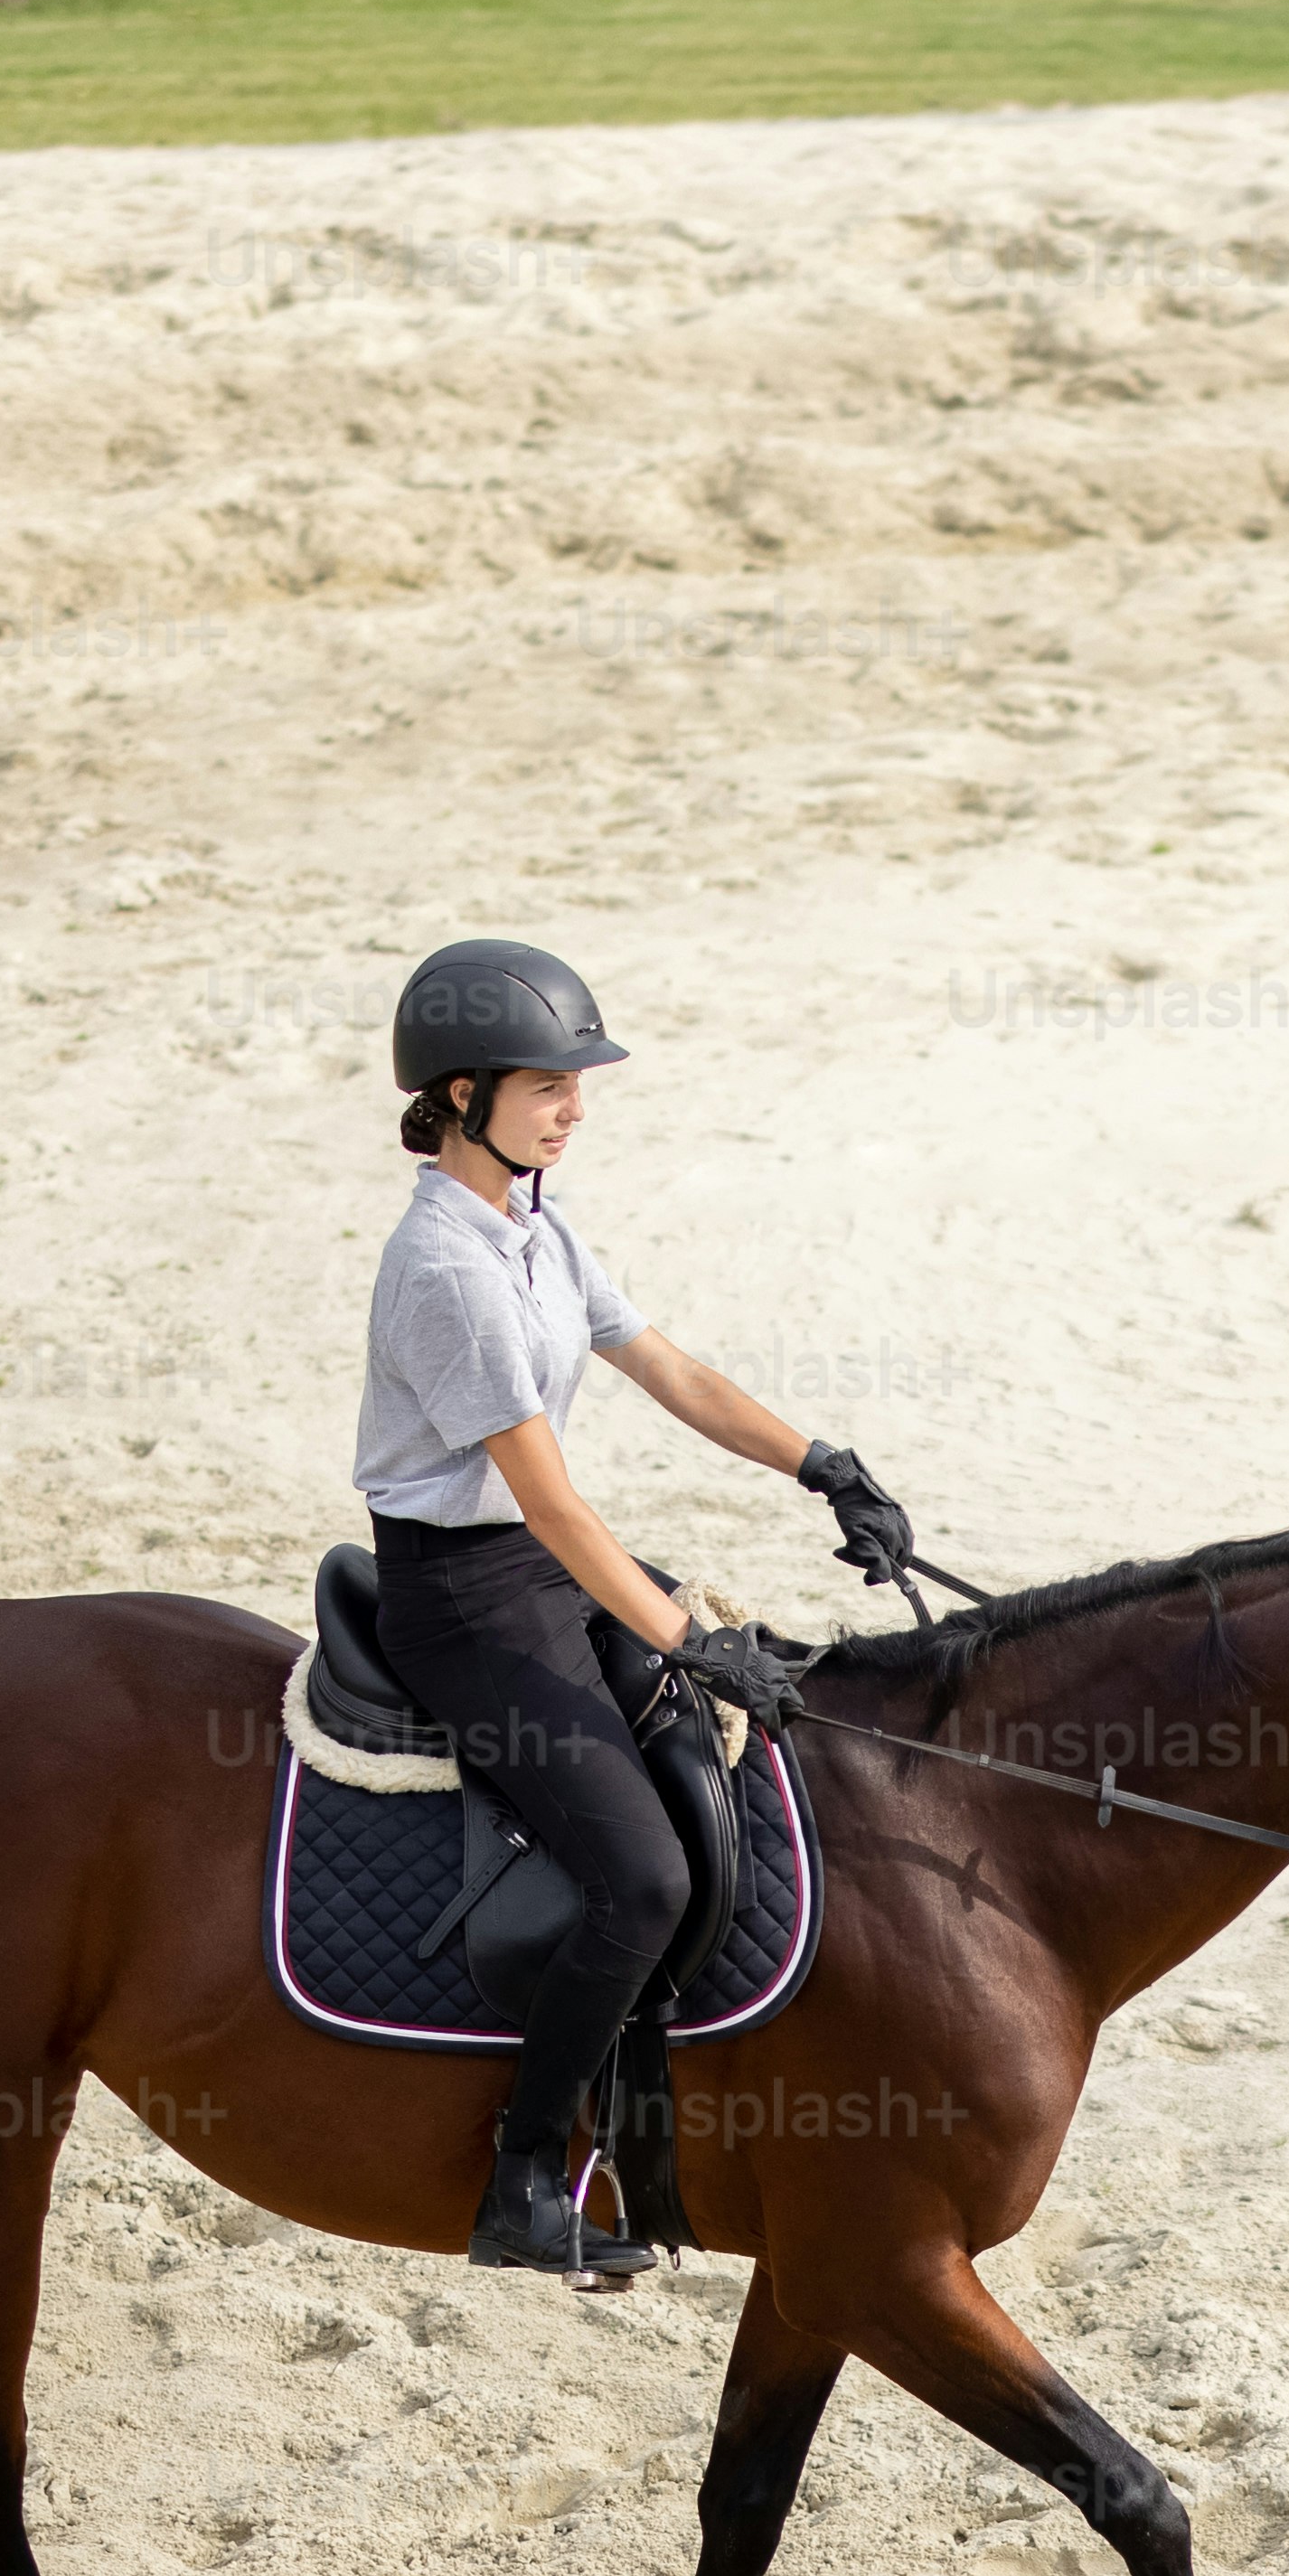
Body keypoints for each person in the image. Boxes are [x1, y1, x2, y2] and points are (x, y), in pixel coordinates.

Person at [352, 937, 919, 2280]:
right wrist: (687, 1638)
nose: (575, 1107)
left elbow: (662, 1363)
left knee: (732, 1754)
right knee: (641, 1875)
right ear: (464, 1093)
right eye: (549, 1085)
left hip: (543, 1572)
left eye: (577, 1081)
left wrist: (819, 1465)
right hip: (466, 1601)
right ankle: (524, 2177)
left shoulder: (537, 1229)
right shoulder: (449, 1269)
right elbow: (549, 1506)